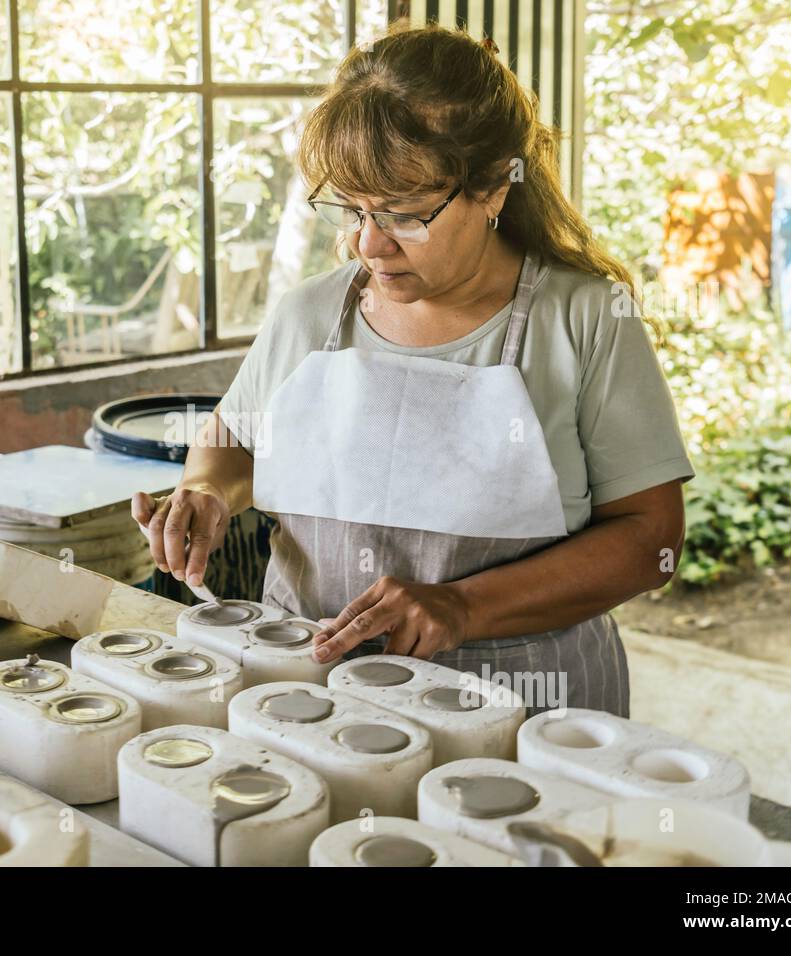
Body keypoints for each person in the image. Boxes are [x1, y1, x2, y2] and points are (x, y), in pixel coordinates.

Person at [133, 24, 694, 716]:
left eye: (405, 214)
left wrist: (462, 606)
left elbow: (651, 539)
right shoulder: (311, 315)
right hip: (309, 697)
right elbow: (236, 441)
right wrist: (207, 493)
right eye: (355, 209)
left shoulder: (584, 320)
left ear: (493, 188)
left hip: (522, 709)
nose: (370, 243)